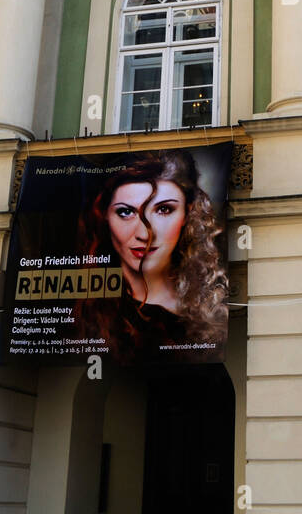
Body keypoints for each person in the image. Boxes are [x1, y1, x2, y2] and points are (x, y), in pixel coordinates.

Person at [74, 150, 227, 362]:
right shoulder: (81, 317)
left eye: (164, 209)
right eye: (126, 212)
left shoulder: (211, 311)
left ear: (187, 213)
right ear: (105, 216)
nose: (144, 234)